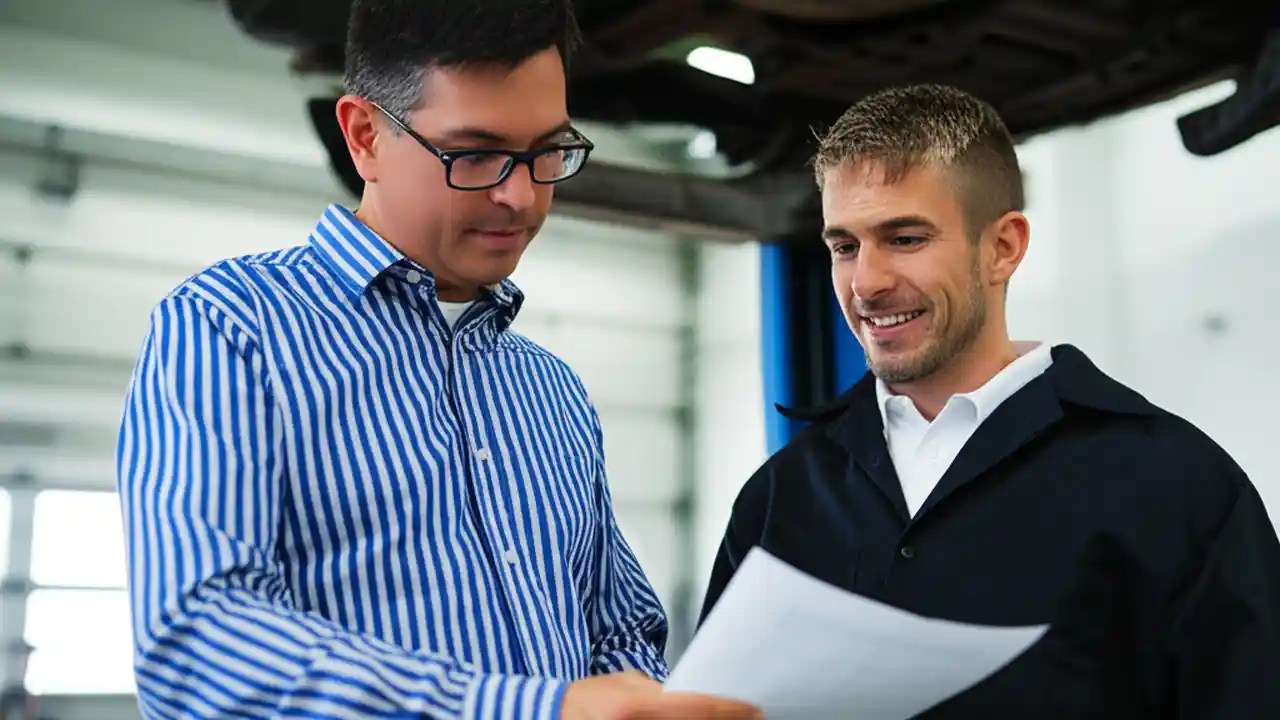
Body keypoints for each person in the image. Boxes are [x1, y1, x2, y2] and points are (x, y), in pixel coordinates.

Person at [115, 1, 760, 718]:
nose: (522, 196)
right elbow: (199, 642)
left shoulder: (548, 389)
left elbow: (619, 631)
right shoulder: (234, 327)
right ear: (364, 137)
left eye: (547, 151)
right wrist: (522, 709)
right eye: (474, 154)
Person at [699, 84, 1280, 717]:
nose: (866, 281)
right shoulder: (782, 497)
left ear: (1003, 246)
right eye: (845, 246)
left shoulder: (1175, 485)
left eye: (906, 238)